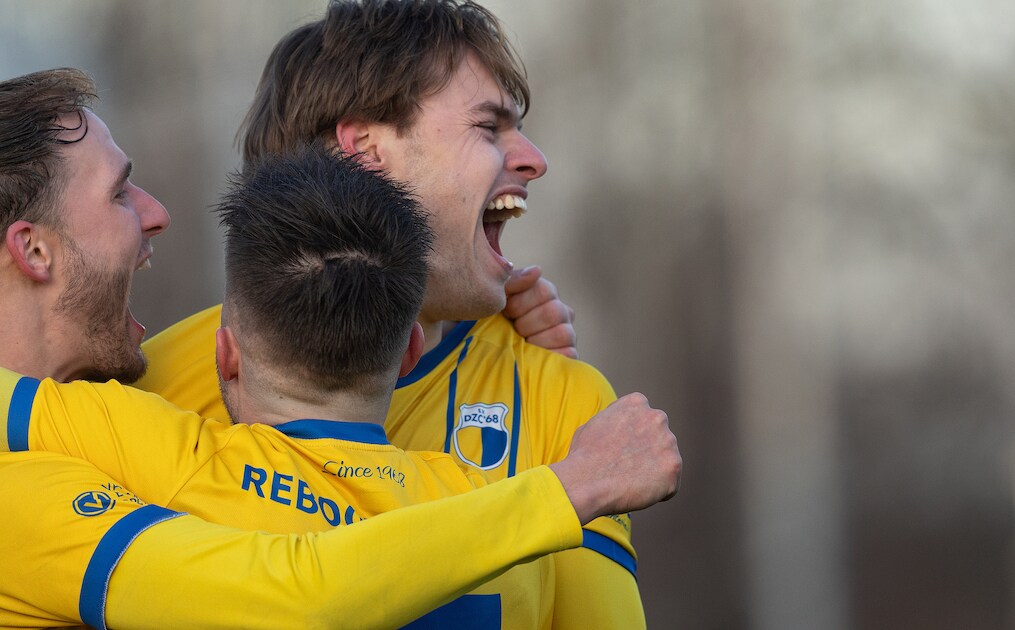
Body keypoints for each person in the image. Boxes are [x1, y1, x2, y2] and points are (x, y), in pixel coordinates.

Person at [0, 67, 680, 629]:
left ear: (225, 354)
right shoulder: (505, 521)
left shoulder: (144, 440)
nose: (157, 212)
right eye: (119, 193)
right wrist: (570, 485)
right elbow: (296, 594)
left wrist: (483, 317)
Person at [138, 2, 649, 626]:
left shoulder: (562, 404)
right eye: (488, 128)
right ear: (366, 150)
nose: (534, 160)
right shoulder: (152, 386)